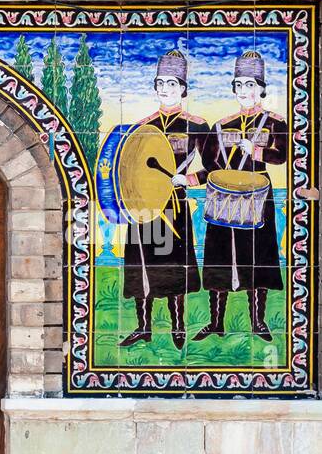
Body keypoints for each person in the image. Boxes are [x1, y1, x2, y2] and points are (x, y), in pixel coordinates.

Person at [194, 50, 287, 342]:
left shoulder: (274, 122)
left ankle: (258, 323)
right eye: (239, 85)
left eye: (250, 84)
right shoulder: (222, 125)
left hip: (259, 196)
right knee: (218, 257)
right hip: (224, 197)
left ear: (261, 88)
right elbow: (211, 165)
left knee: (256, 258)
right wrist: (193, 178)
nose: (244, 90)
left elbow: (283, 155)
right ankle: (215, 322)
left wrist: (256, 151)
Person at [119, 49, 206, 351]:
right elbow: (128, 164)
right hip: (142, 205)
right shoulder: (143, 127)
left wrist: (189, 179)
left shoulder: (197, 126)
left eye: (171, 83)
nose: (165, 89)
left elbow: (215, 169)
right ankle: (143, 327)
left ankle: (178, 325)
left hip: (173, 205)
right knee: (141, 264)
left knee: (173, 264)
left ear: (183, 87)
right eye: (160, 83)